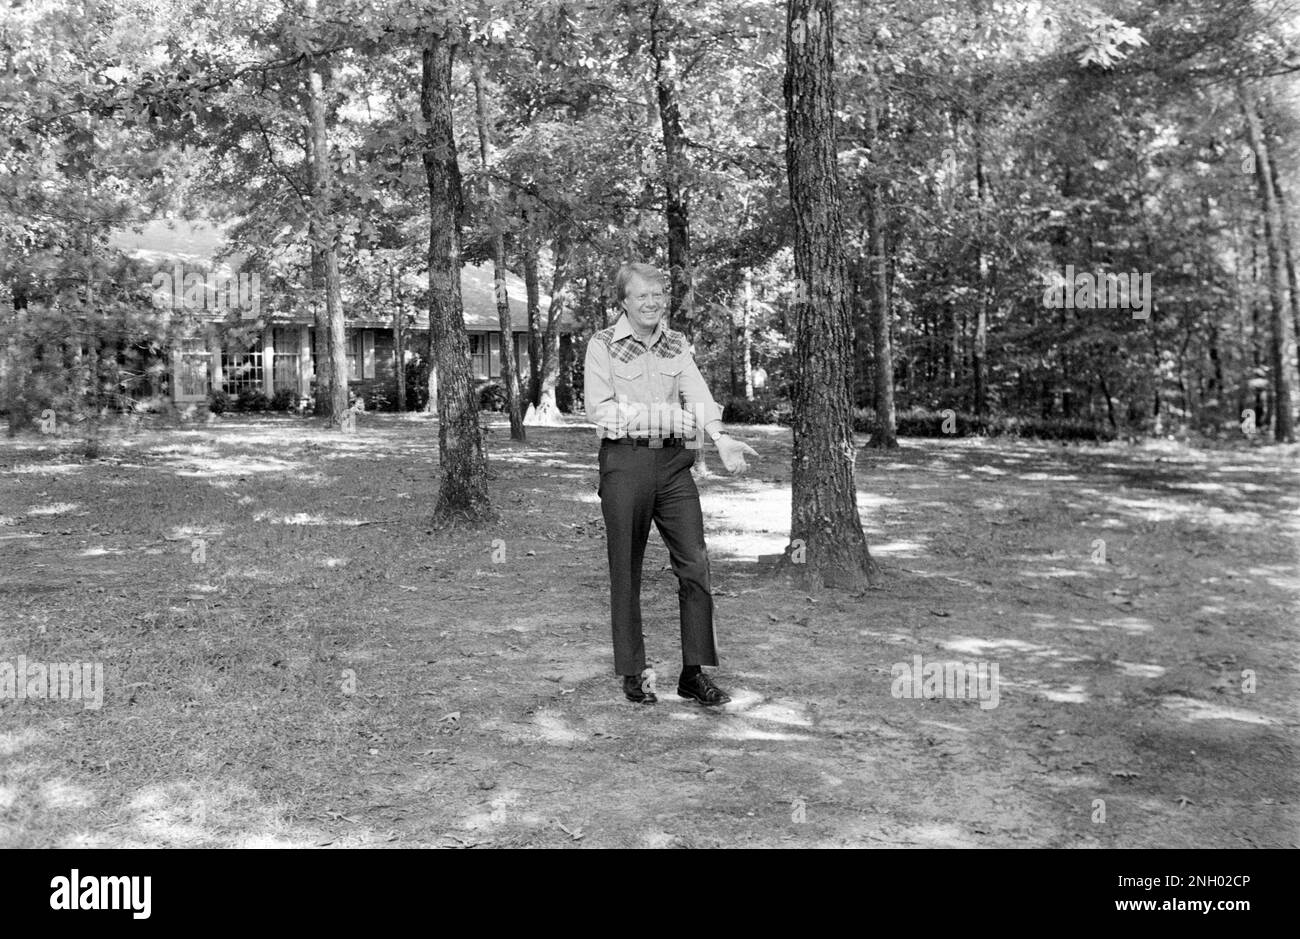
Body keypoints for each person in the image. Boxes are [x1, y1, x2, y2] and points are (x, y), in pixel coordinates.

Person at [584, 262, 759, 706]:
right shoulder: (602, 344)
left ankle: (693, 674)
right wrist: (664, 417)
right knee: (626, 569)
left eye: (658, 294)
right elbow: (601, 411)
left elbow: (696, 392)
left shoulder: (676, 343)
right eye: (642, 295)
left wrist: (720, 438)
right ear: (624, 302)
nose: (652, 303)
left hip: (674, 466)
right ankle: (633, 672)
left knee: (696, 565)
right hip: (625, 463)